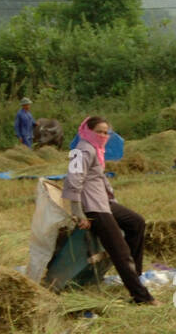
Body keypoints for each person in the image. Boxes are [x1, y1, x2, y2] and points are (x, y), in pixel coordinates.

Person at [62, 116, 156, 305]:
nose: (103, 135)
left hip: (103, 201)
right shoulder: (80, 151)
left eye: (106, 132)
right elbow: (73, 180)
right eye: (99, 131)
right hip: (92, 207)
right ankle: (141, 297)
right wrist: (78, 212)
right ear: (88, 131)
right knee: (120, 251)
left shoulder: (96, 149)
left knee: (136, 222)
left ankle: (134, 276)